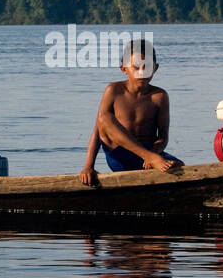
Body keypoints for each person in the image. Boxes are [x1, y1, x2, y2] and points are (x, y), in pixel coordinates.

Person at [78, 38, 182, 186]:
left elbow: (163, 136)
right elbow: (98, 131)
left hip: (148, 157)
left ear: (155, 68)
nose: (142, 72)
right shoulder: (114, 90)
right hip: (120, 155)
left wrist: (154, 152)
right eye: (137, 67)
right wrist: (88, 167)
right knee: (104, 118)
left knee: (180, 166)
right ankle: (151, 158)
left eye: (147, 67)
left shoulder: (160, 96)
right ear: (124, 69)